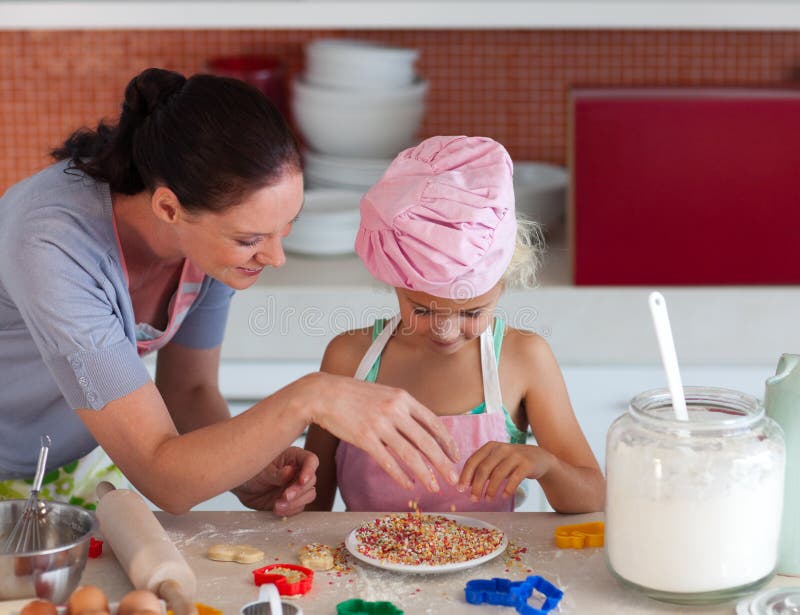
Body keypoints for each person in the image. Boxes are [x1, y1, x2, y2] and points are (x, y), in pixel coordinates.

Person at [0, 67, 460, 516]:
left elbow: (190, 391)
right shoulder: (52, 246)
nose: (275, 257)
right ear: (168, 207)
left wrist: (246, 468)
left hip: (75, 459)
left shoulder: (204, 246)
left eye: (285, 229)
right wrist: (311, 398)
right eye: (250, 239)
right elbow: (163, 476)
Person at [305, 136, 605, 513]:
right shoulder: (350, 358)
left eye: (471, 313)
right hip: (362, 572)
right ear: (393, 281)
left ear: (503, 282)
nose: (445, 331)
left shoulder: (523, 359)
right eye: (423, 310)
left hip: (491, 573)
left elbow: (593, 498)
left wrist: (545, 465)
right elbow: (310, 510)